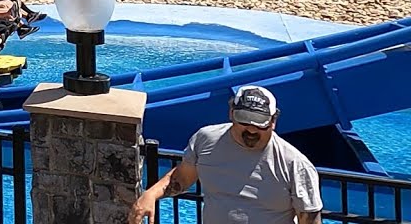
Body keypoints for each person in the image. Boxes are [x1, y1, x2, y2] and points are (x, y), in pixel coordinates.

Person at [130, 85, 323, 224]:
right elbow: (182, 177)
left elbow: (309, 219)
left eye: (259, 123)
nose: (252, 130)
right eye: (245, 121)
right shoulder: (205, 139)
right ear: (231, 113)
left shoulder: (295, 164)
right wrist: (150, 195)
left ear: (273, 121)